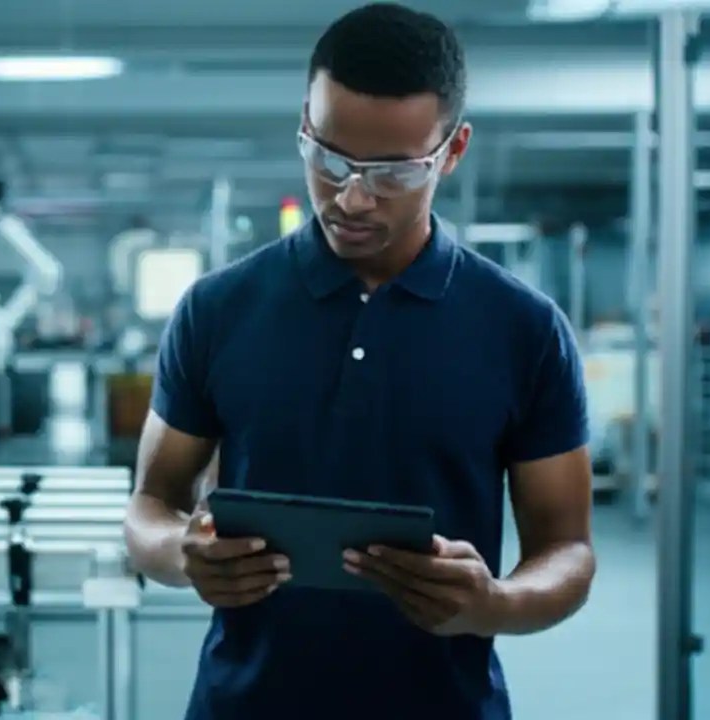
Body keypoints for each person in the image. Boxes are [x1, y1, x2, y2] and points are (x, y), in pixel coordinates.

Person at [122, 3, 597, 719]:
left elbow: (567, 551)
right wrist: (180, 556)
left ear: (454, 150)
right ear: (305, 123)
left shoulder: (524, 330)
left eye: (392, 173)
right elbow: (149, 508)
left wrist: (494, 603)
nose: (351, 197)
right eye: (329, 158)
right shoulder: (217, 310)